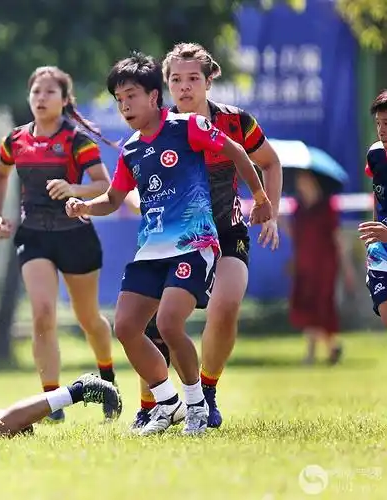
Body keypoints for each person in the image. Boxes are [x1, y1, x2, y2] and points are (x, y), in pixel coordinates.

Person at [66, 52, 272, 436]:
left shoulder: (188, 126)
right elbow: (113, 199)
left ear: (153, 97)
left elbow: (237, 151)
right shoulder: (130, 150)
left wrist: (260, 198)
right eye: (119, 100)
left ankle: (197, 404)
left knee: (168, 322)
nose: (125, 105)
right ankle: (167, 403)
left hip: (195, 243)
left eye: (131, 96)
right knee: (126, 326)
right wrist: (84, 206)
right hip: (152, 249)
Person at [131, 42, 284, 430]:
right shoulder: (155, 128)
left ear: (209, 80)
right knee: (154, 325)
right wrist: (140, 201)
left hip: (228, 232)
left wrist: (270, 212)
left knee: (226, 305)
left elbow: (268, 162)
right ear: (165, 85)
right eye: (176, 80)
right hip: (173, 240)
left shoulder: (235, 122)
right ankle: (151, 405)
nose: (184, 87)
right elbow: (133, 180)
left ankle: (208, 394)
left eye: (193, 79)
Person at [0, 66, 118, 423]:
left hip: (76, 235)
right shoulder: (16, 140)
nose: (41, 98)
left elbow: (102, 184)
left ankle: (107, 376)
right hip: (34, 236)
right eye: (35, 92)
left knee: (88, 318)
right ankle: (52, 401)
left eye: (49, 92)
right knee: (42, 312)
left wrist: (74, 188)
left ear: (64, 100)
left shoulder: (78, 140)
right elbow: (0, 174)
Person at [288, 171, 355, 365]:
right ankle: (333, 347)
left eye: (305, 181)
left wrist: (347, 267)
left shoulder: (327, 208)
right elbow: (299, 238)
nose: (302, 186)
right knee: (307, 307)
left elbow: (337, 238)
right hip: (305, 266)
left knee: (322, 308)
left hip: (325, 266)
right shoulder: (298, 209)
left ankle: (312, 353)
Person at [359, 90, 387, 327]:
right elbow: (377, 193)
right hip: (382, 249)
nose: (382, 130)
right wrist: (374, 237)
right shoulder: (376, 154)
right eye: (378, 124)